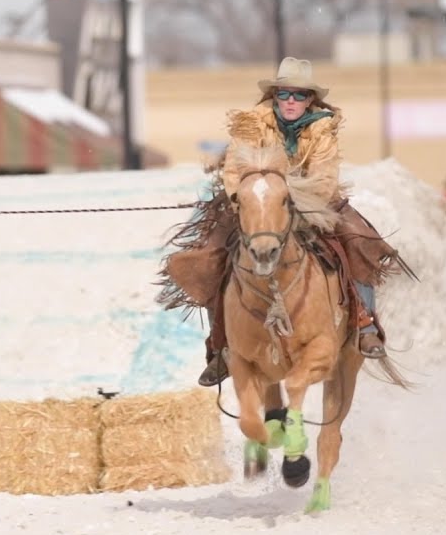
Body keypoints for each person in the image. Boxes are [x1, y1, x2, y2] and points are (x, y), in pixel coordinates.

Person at [157, 57, 410, 386]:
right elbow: (234, 170)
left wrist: (289, 196)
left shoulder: (323, 129)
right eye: (284, 95)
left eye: (299, 95)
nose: (291, 102)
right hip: (253, 202)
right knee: (212, 254)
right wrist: (250, 197)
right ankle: (221, 346)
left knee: (358, 241)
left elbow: (324, 178)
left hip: (313, 202)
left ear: (310, 100)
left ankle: (365, 324)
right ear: (274, 97)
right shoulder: (251, 124)